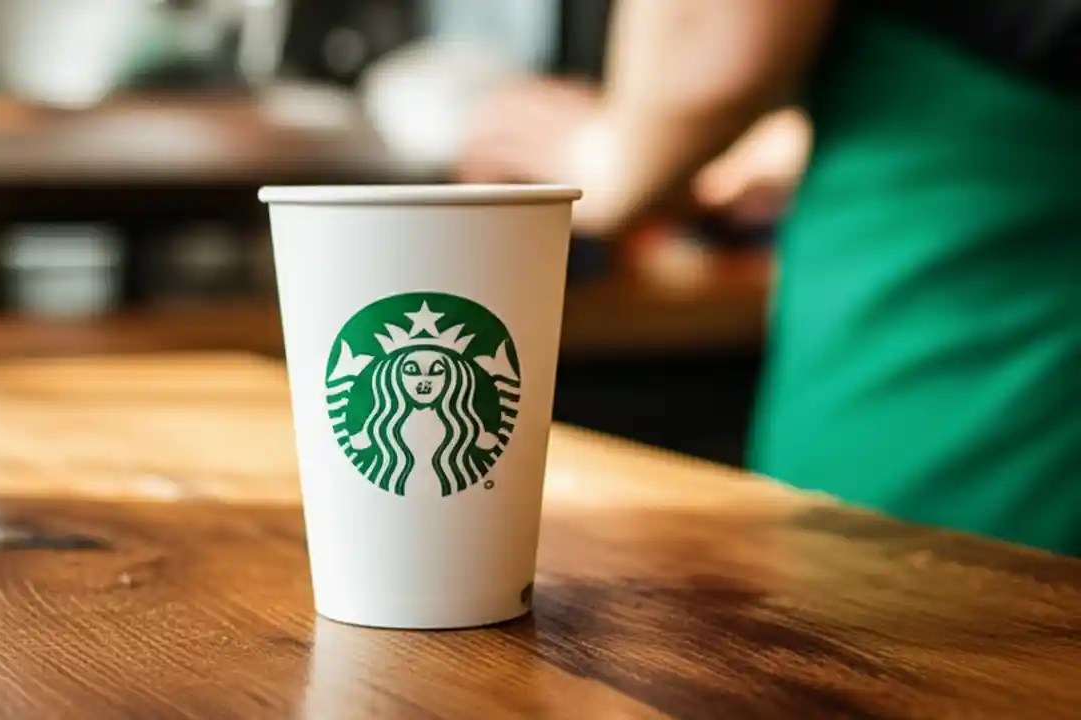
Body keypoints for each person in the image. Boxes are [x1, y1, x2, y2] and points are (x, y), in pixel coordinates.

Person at [459, 0, 1081, 554]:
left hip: (963, 384)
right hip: (1002, 286)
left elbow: (711, 53)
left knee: (905, 629)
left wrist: (604, 156)